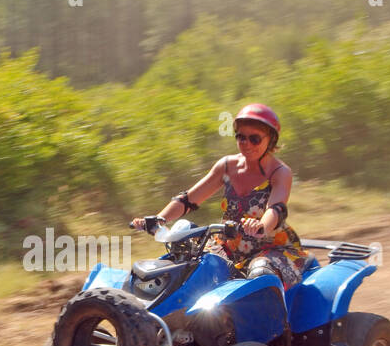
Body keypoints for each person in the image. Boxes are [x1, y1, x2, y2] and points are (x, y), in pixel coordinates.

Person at [130, 103, 308, 288]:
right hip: (228, 247)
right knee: (187, 263)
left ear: (270, 139)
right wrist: (159, 219)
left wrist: (260, 225)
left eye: (254, 139)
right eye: (241, 137)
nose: (246, 144)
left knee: (260, 273)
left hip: (271, 248)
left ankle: (273, 316)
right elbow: (188, 200)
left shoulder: (280, 172)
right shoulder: (227, 166)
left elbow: (276, 209)